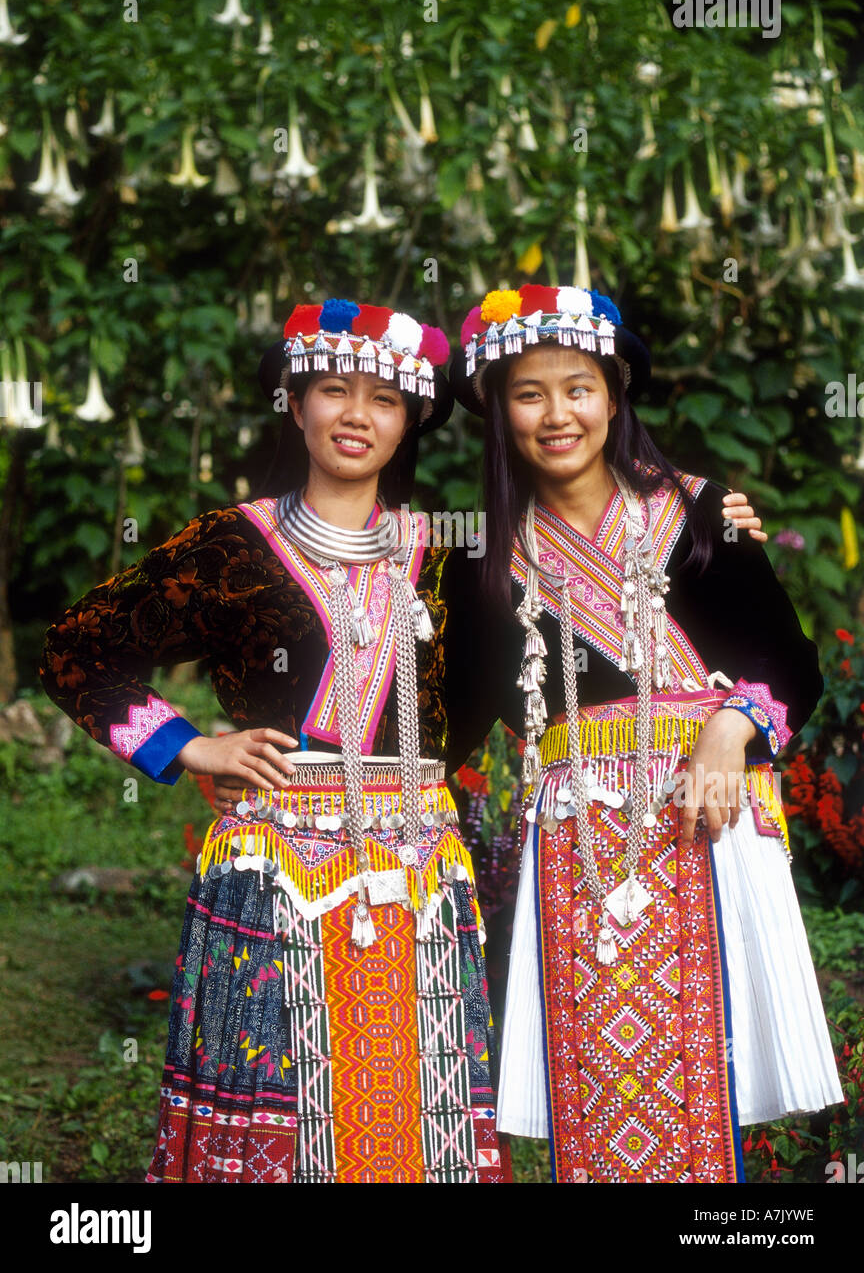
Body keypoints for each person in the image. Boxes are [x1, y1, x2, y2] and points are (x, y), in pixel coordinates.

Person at [39, 297, 507, 1184]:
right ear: (296, 406)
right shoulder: (230, 546)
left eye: (384, 398)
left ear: (410, 420)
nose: (357, 415)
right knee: (275, 1092)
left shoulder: (448, 555)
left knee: (418, 1097)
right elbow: (78, 649)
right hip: (272, 862)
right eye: (334, 390)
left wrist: (711, 523)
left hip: (418, 865)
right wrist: (188, 747)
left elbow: (544, 624)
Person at [445, 283, 842, 1183]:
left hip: (711, 824)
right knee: (602, 1073)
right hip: (580, 839)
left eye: (578, 388)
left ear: (614, 396)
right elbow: (449, 721)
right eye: (529, 393)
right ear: (499, 411)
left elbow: (793, 664)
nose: (557, 415)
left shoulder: (700, 513)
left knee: (711, 1057)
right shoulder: (485, 562)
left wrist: (728, 731)